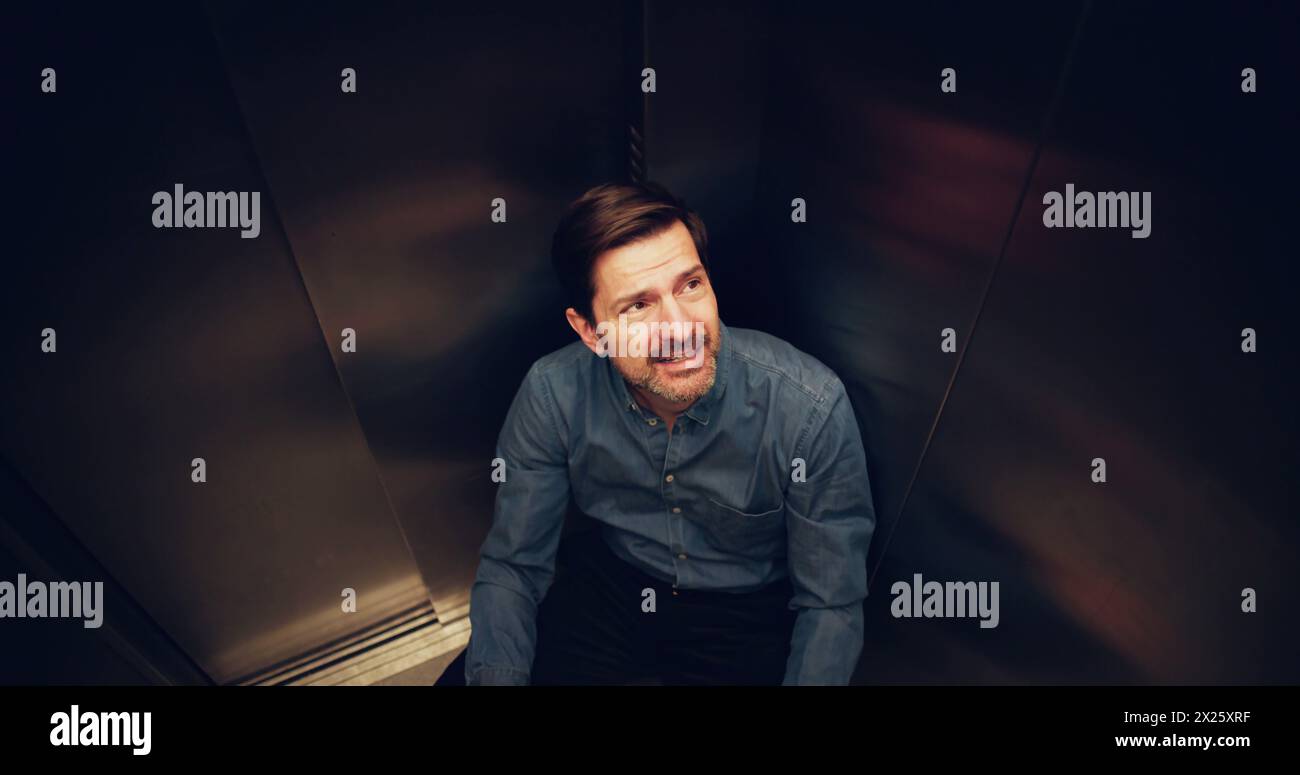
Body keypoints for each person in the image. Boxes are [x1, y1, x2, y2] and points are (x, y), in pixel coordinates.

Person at [448, 181, 875, 685]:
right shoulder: (553, 393)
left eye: (690, 285)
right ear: (590, 332)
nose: (680, 328)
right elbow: (514, 566)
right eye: (638, 306)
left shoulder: (808, 407)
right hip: (614, 586)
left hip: (743, 614)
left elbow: (830, 603)